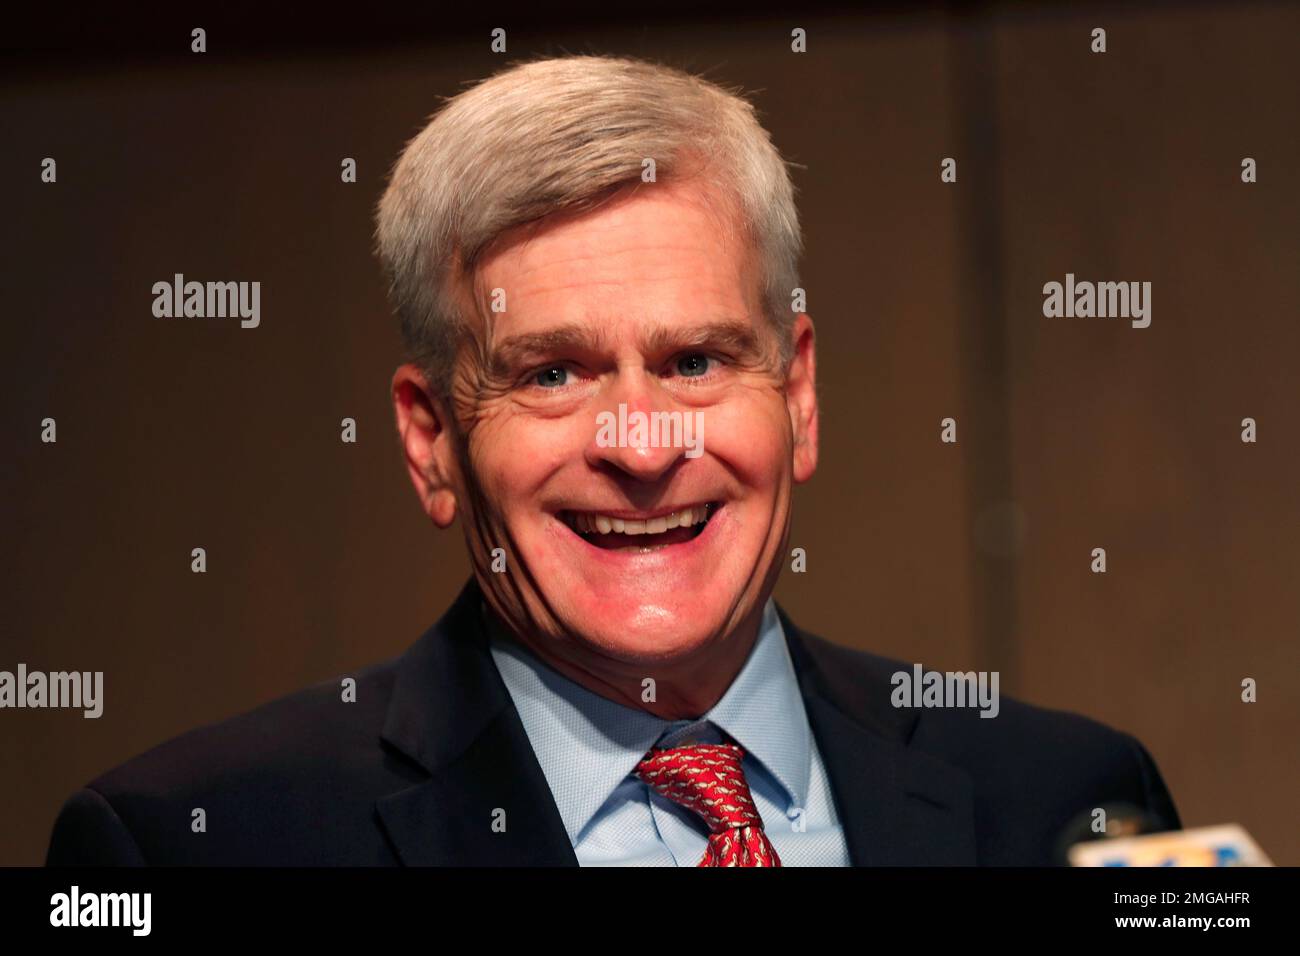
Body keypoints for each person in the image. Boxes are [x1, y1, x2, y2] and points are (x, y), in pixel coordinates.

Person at [46, 54, 1179, 867]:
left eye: (694, 359)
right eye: (551, 374)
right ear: (430, 439)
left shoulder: (1069, 803)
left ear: (797, 393)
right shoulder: (187, 845)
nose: (640, 447)